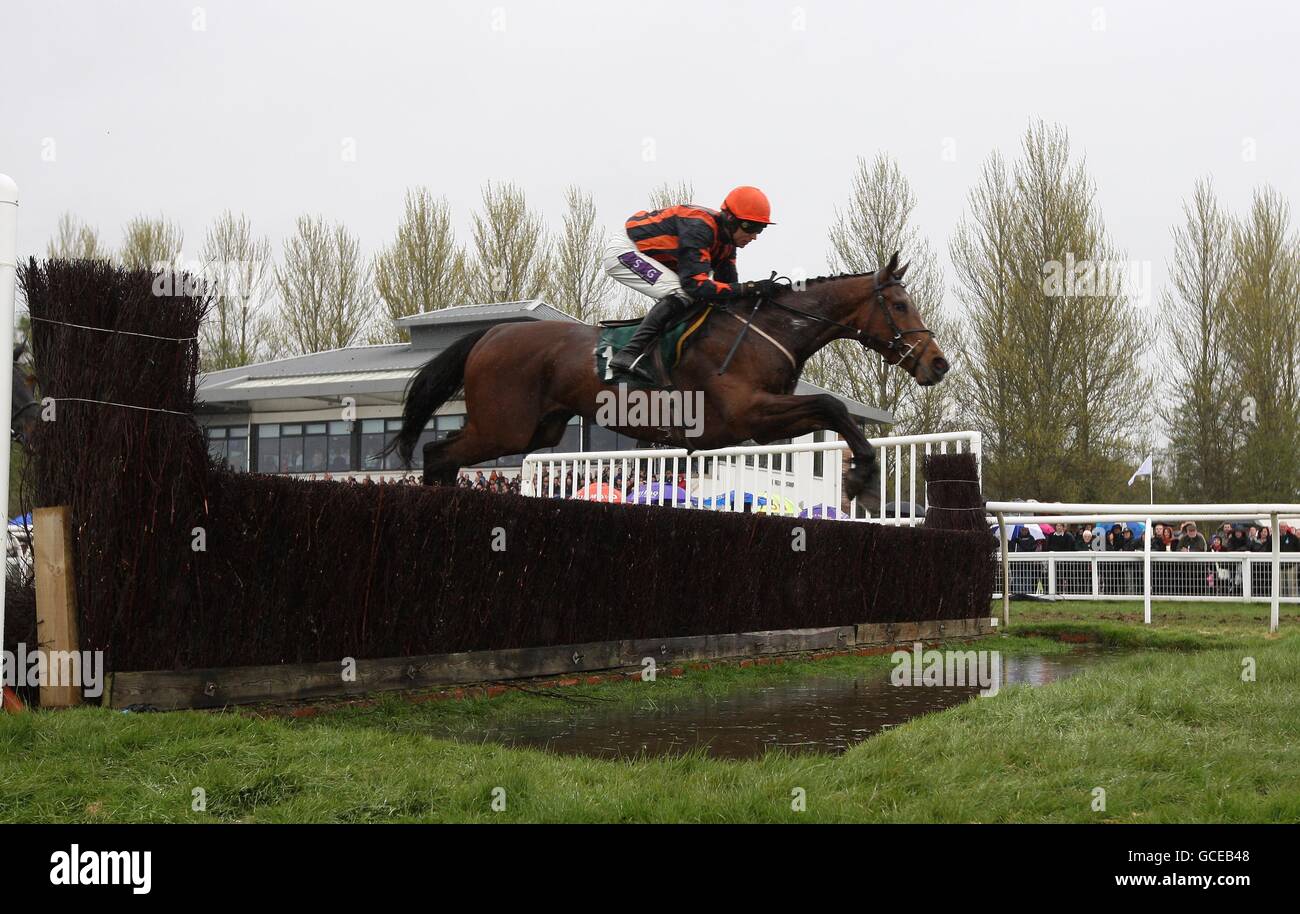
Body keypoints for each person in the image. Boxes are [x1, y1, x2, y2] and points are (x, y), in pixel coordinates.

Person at [603, 186, 777, 383]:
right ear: (730, 219)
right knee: (683, 293)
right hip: (625, 251)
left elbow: (728, 293)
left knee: (705, 301)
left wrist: (760, 297)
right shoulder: (699, 227)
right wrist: (749, 288)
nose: (754, 236)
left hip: (650, 255)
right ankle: (629, 353)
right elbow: (695, 286)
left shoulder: (728, 244)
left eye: (760, 229)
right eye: (751, 227)